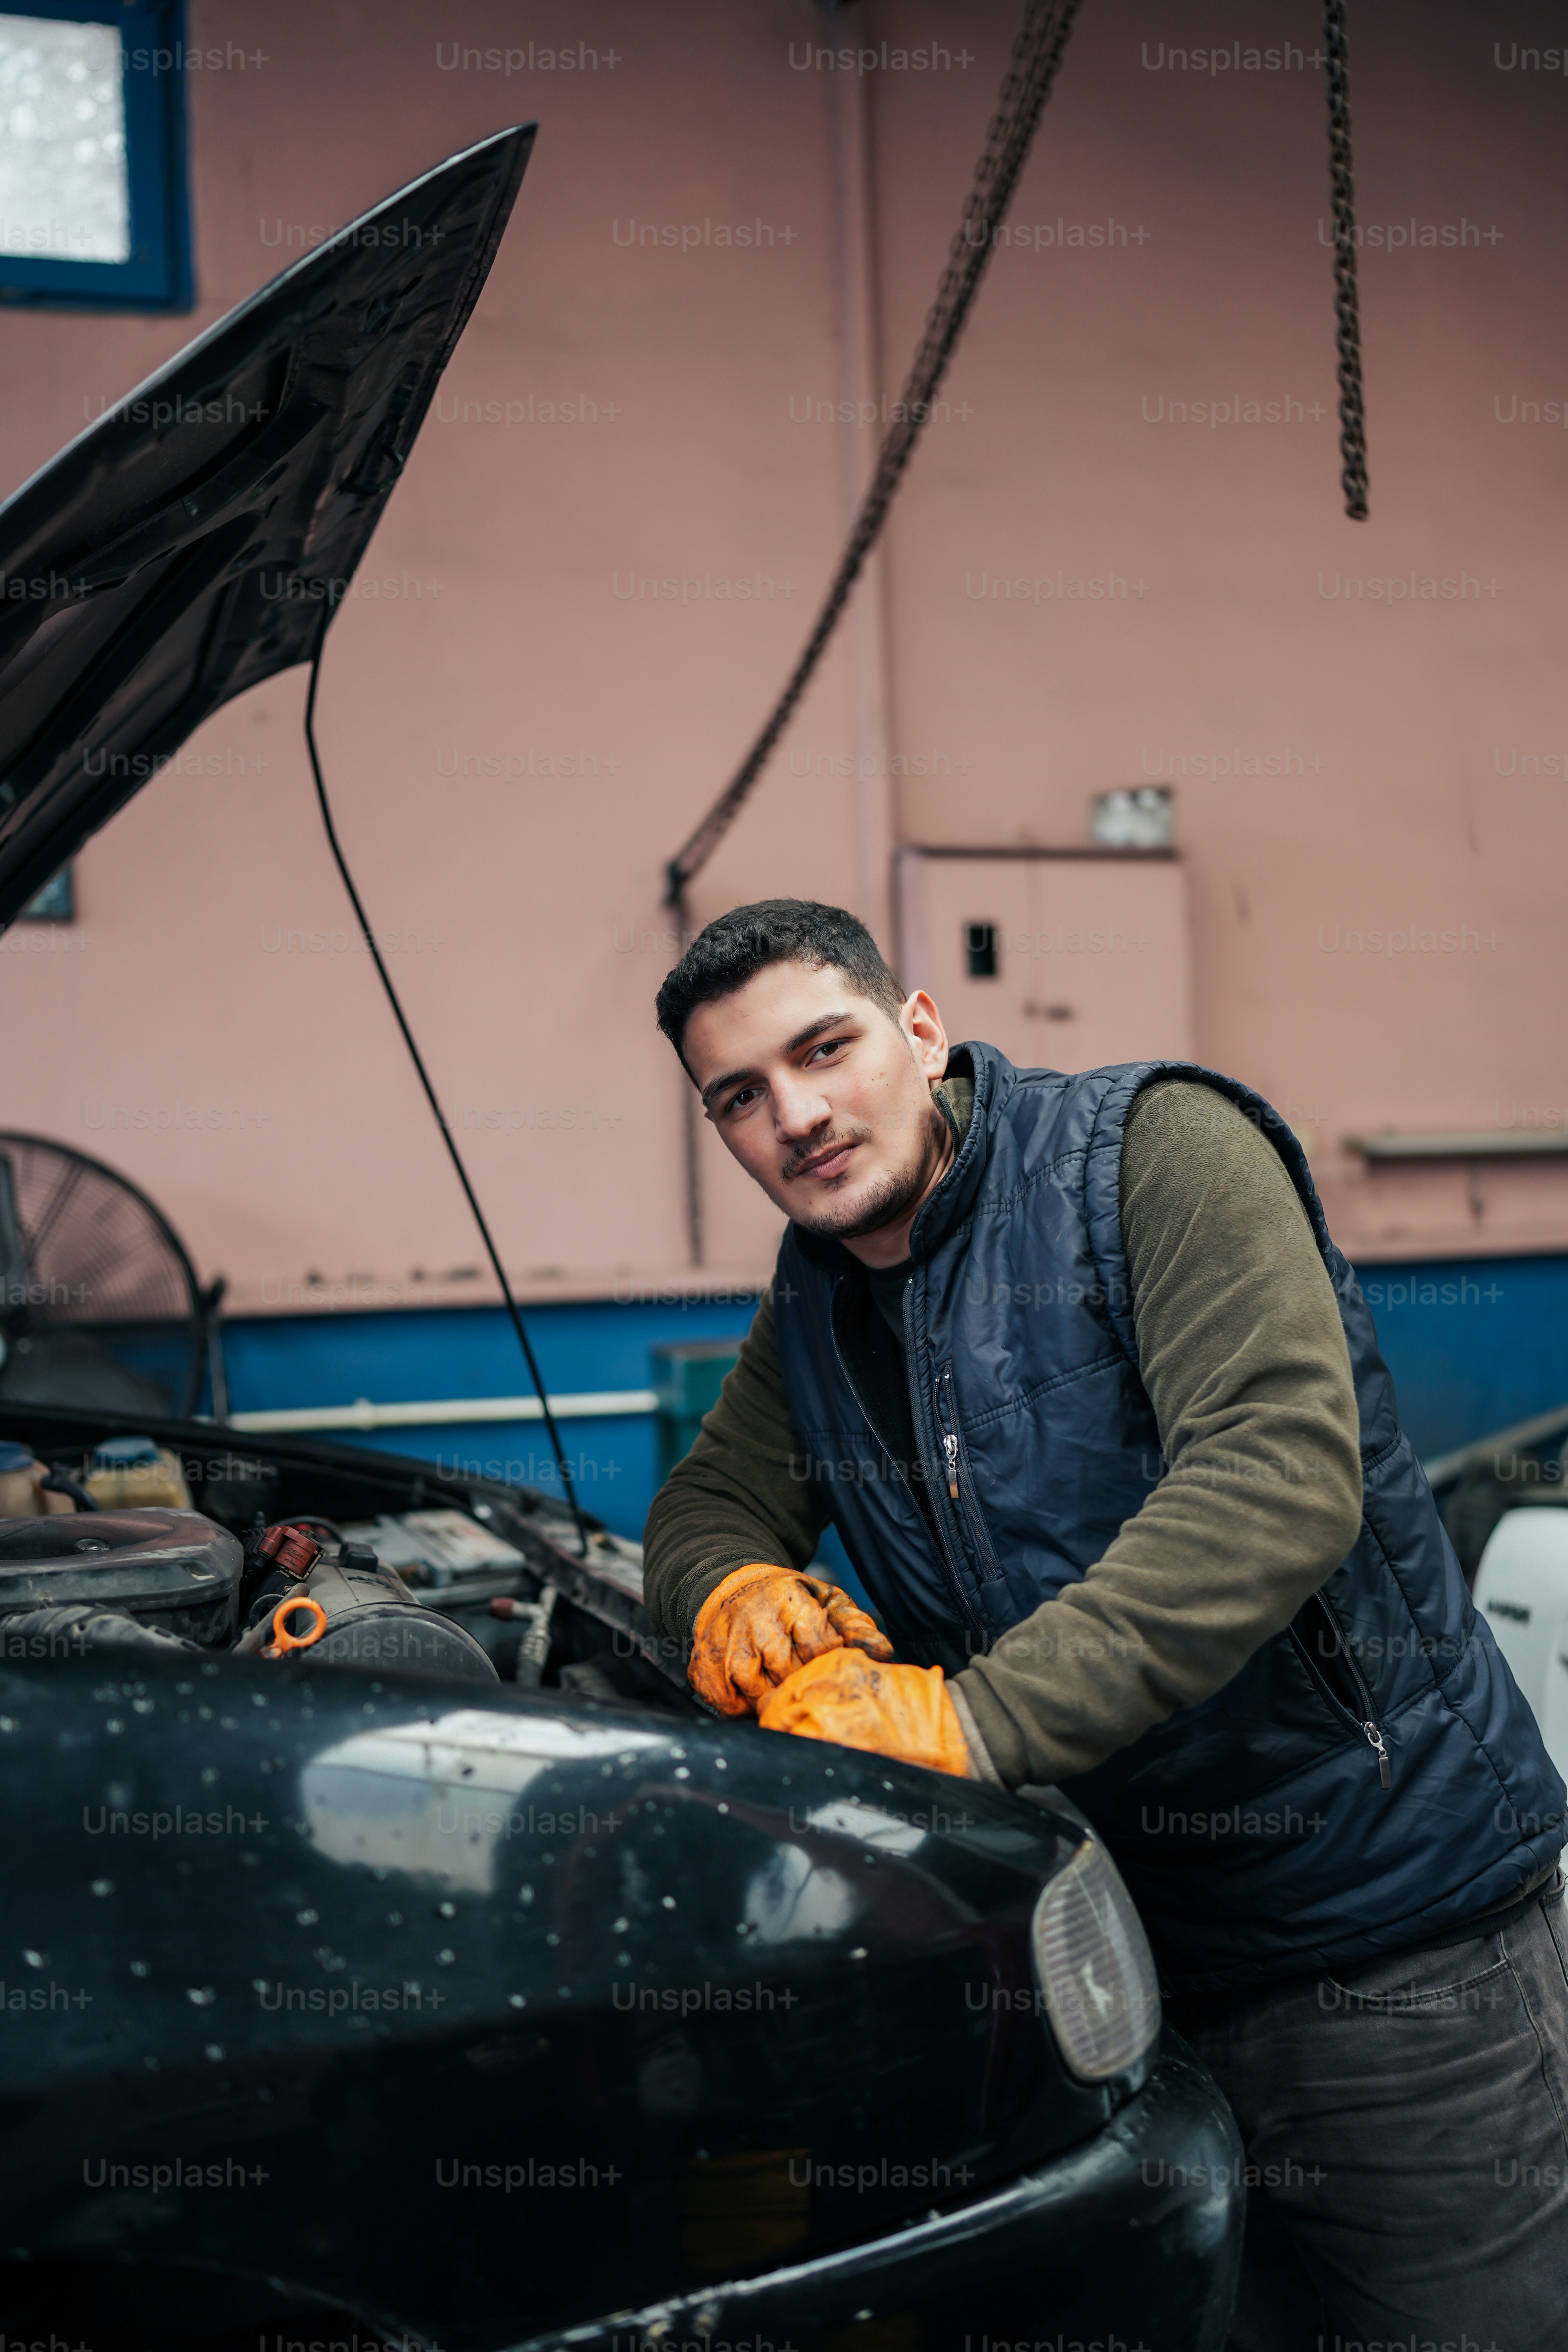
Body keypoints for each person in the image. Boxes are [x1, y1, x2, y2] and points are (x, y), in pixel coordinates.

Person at [641, 897, 1568, 2352]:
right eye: (740, 1098)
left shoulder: (1151, 1155)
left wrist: (968, 1725)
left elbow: (1272, 1479)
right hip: (1118, 1958)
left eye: (824, 1049)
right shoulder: (819, 1300)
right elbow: (709, 1498)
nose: (797, 1116)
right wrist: (729, 1590)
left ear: (921, 1030)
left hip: (1386, 1950)